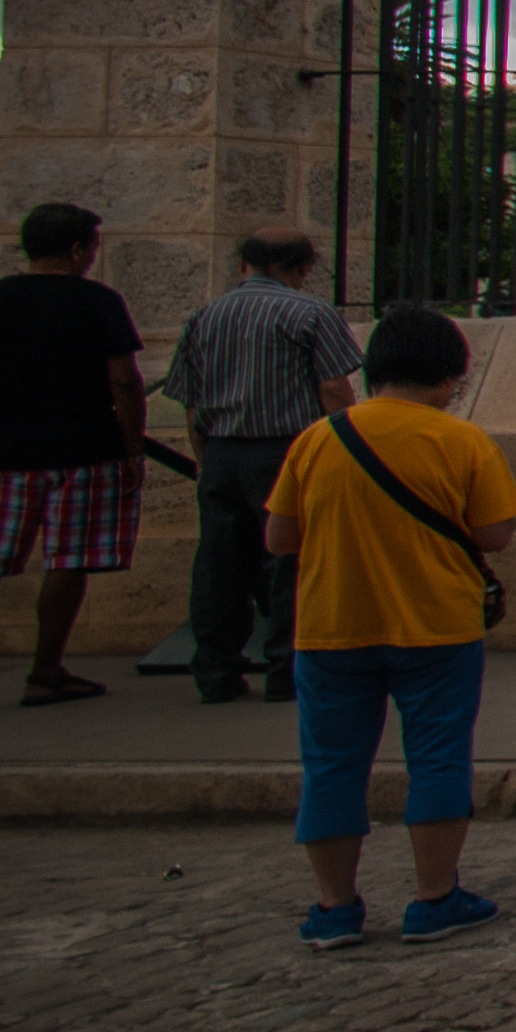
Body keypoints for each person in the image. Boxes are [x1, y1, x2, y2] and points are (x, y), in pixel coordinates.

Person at [264, 305, 516, 948]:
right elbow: (496, 532)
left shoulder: (318, 439)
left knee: (330, 764)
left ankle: (335, 905)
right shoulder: (461, 442)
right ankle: (435, 896)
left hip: (333, 624)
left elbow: (279, 537)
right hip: (435, 623)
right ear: (446, 380)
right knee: (437, 758)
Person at [0, 203, 148, 712]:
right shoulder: (98, 302)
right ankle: (45, 672)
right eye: (91, 246)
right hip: (86, 451)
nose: (93, 256)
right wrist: (132, 449)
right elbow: (123, 380)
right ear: (76, 249)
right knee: (69, 559)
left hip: (4, 451)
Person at [159, 224, 359, 704]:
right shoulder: (310, 313)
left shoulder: (205, 316)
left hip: (223, 449)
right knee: (288, 562)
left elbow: (191, 401)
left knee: (220, 564)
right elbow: (333, 388)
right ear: (303, 268)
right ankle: (287, 670)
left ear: (244, 263)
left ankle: (216, 671)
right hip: (286, 451)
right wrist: (349, 448)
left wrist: (205, 459)